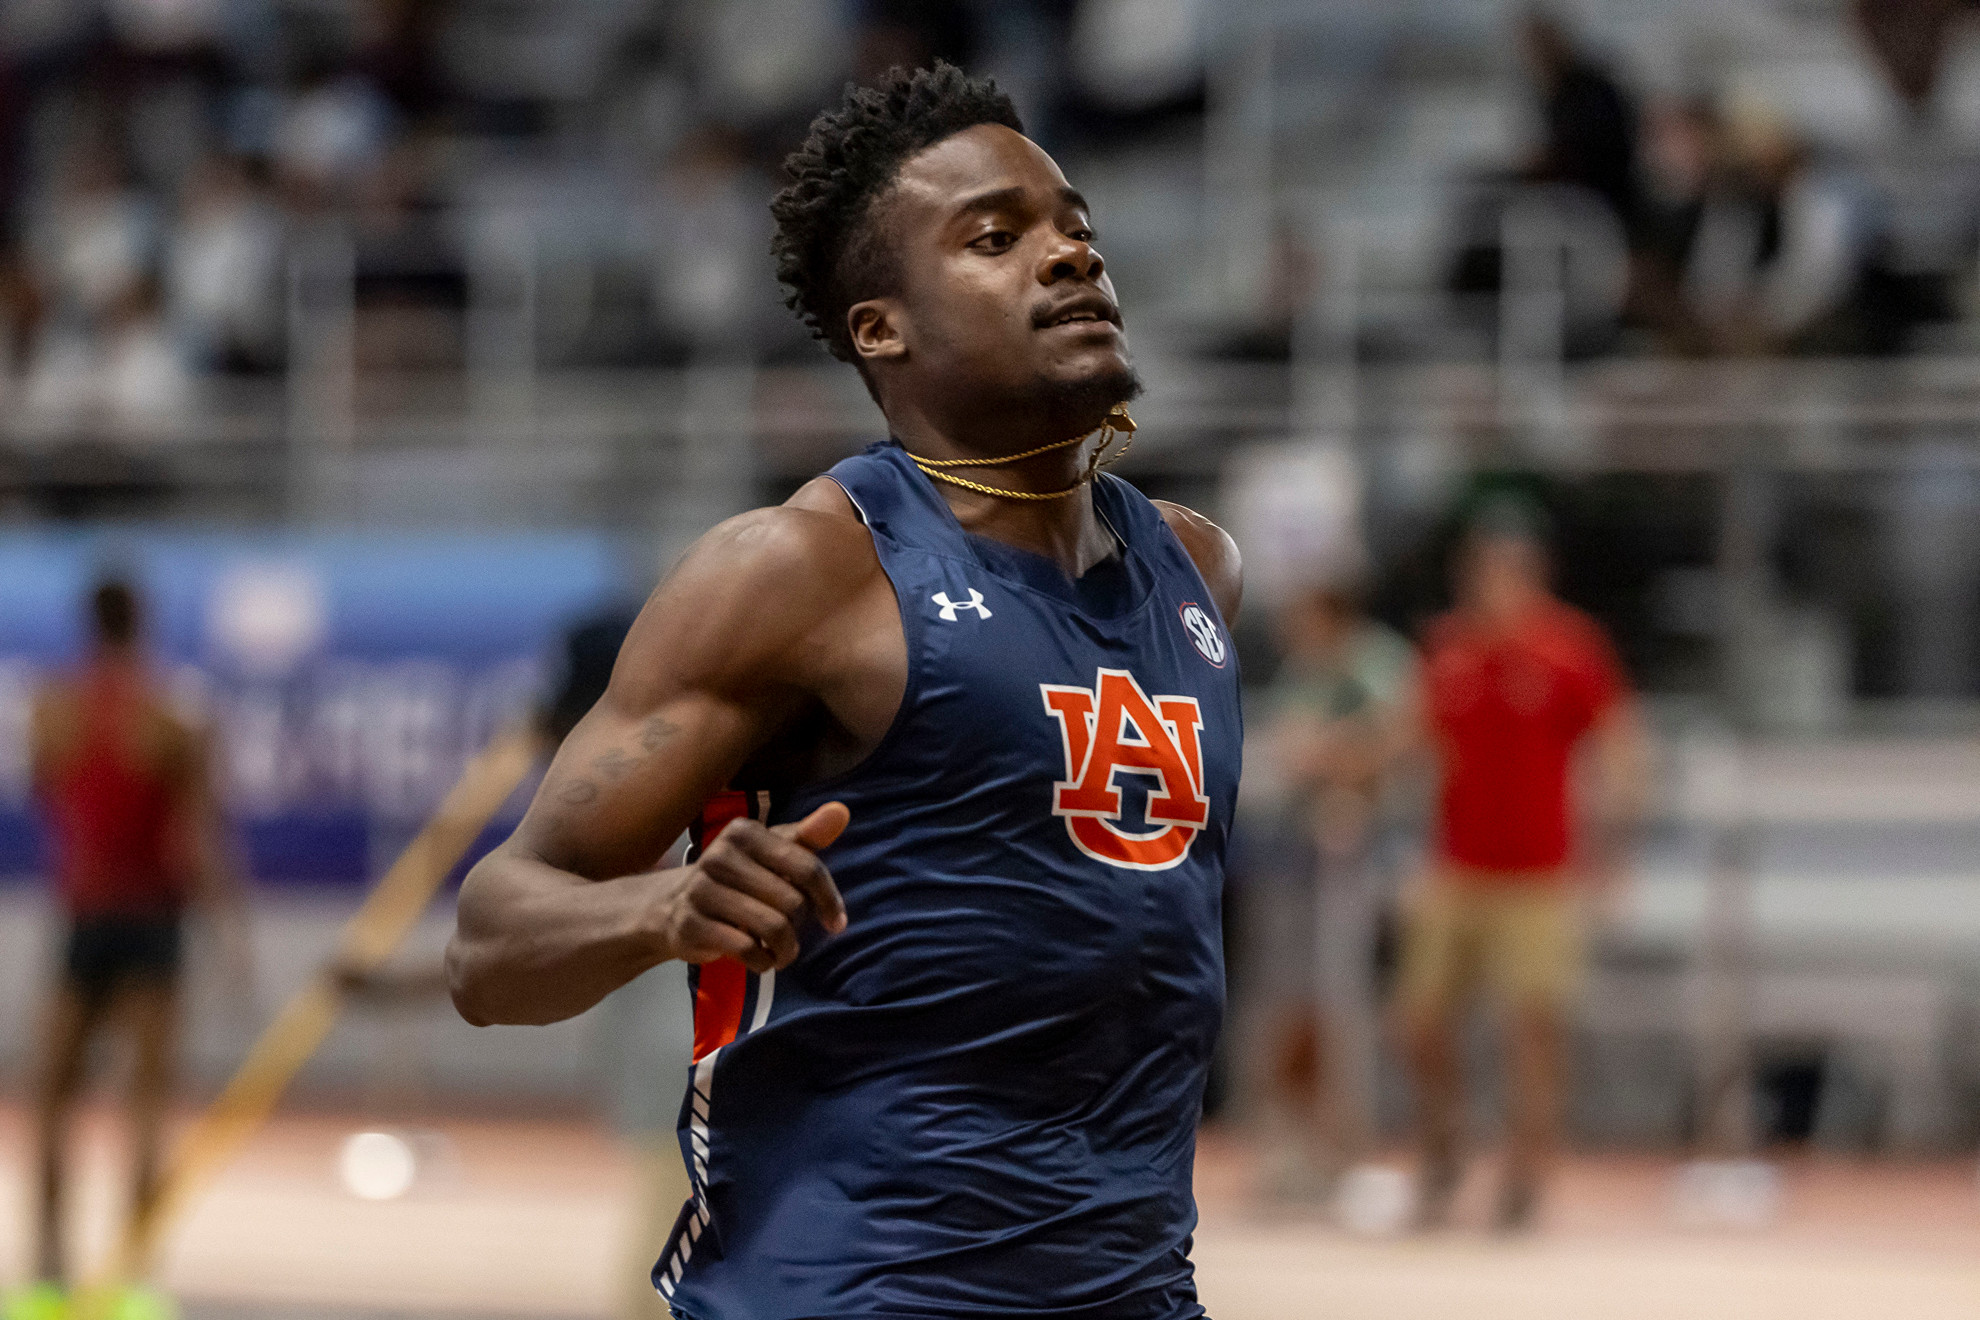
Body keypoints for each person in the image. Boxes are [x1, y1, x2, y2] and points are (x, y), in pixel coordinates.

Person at [445, 61, 1242, 1320]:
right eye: (997, 238)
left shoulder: (1197, 571)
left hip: (1133, 1290)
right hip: (849, 1289)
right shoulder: (800, 573)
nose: (1070, 258)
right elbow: (491, 943)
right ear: (884, 327)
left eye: (1075, 228)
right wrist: (664, 908)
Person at [1398, 503, 1646, 1232]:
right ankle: (1443, 1148)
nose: (1496, 585)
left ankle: (1524, 1176)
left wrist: (1613, 853)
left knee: (1532, 1029)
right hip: (1457, 868)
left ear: (1534, 574)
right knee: (1420, 1022)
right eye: (1484, 571)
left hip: (1539, 874)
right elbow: (1417, 746)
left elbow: (1621, 747)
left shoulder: (1569, 647)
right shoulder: (1448, 649)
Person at [21, 577, 245, 1310]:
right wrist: (230, 933)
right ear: (142, 622)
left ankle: (48, 1270)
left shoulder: (54, 708)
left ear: (85, 621)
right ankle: (135, 1275)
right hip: (152, 920)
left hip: (86, 915)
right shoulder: (174, 715)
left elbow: (48, 793)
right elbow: (201, 837)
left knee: (53, 1096)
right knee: (145, 1103)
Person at [1247, 581, 1417, 1198]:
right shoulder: (1305, 671)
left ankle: (1346, 1146)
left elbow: (1401, 737)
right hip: (1297, 852)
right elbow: (1290, 748)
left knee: (1342, 1000)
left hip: (1356, 852)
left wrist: (1338, 761)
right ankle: (1295, 1144)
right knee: (1288, 1003)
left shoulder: (1375, 662)